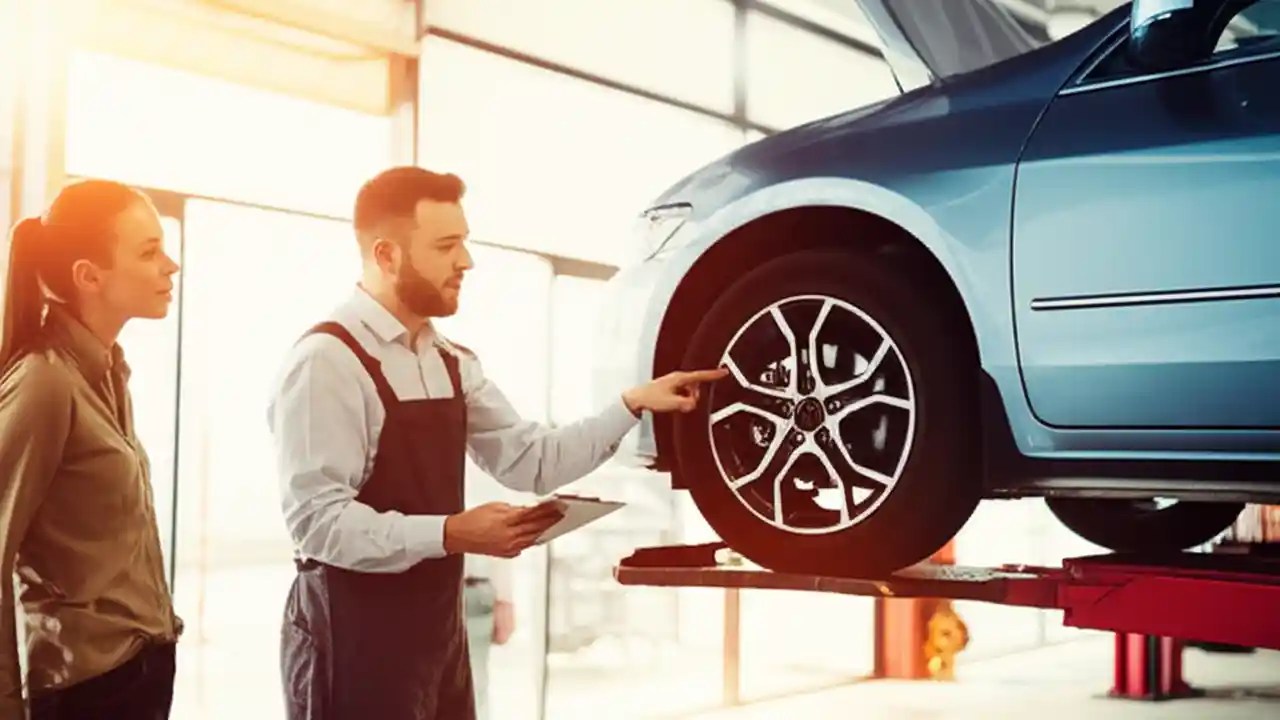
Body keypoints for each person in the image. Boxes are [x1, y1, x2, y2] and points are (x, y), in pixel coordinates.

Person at [268, 166, 726, 720]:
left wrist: (631, 404)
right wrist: (453, 532)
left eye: (464, 242)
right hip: (350, 636)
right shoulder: (327, 362)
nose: (466, 261)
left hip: (437, 632)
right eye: (446, 245)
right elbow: (318, 526)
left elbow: (532, 461)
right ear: (386, 255)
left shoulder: (451, 362)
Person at [0, 179, 183, 720]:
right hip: (86, 688)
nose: (170, 266)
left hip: (141, 671)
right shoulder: (43, 384)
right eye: (149, 252)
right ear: (89, 276)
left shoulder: (108, 372)